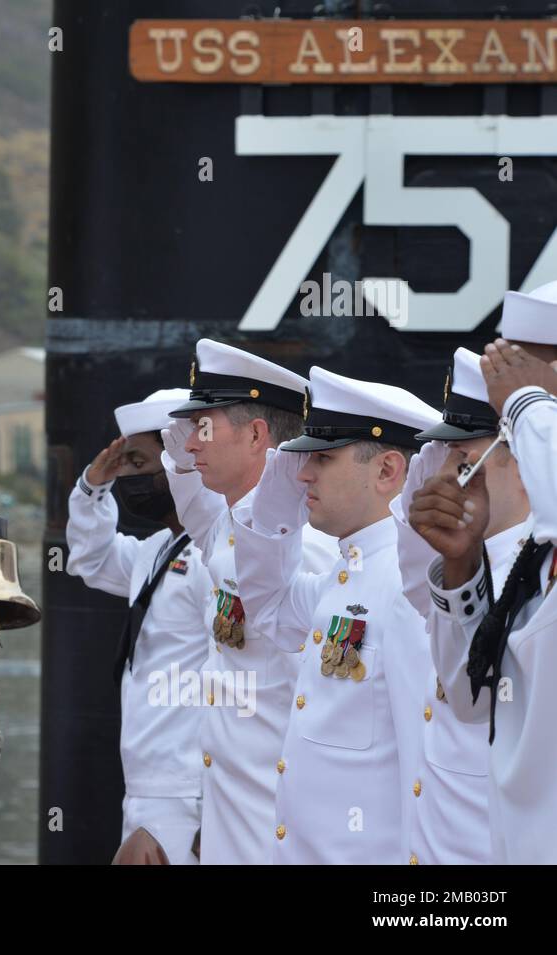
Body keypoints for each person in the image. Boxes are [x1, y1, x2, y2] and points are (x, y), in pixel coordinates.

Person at [231, 367, 439, 863]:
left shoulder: (409, 588)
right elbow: (271, 611)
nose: (301, 474)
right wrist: (274, 515)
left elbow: (424, 769)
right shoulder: (349, 572)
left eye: (322, 458)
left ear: (388, 471)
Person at [160, 339, 333, 864]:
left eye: (205, 429)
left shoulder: (308, 547)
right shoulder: (230, 529)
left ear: (258, 434)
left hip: (279, 830)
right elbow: (202, 517)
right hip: (229, 823)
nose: (192, 445)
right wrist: (183, 469)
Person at [412, 281, 557, 863]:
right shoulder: (535, 557)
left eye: (523, 371)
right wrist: (461, 564)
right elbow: (472, 697)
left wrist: (526, 405)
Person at [391, 348, 530, 864]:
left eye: (465, 459)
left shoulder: (538, 573)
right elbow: (466, 694)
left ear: (522, 454)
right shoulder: (467, 566)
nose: (450, 474)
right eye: (447, 457)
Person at [66, 388, 209, 865]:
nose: (129, 475)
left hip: (191, 792)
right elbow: (92, 558)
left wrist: (215, 815)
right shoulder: (158, 550)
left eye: (138, 462)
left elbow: (245, 684)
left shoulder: (219, 556)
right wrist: (93, 487)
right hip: (147, 783)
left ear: (177, 464)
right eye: (124, 463)